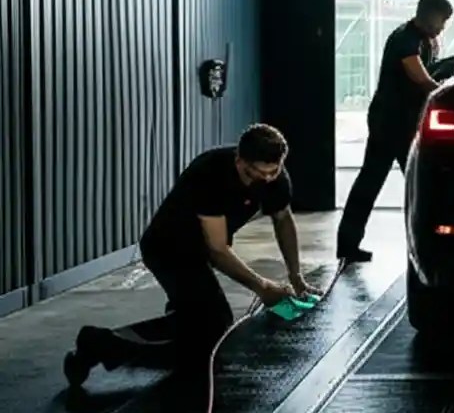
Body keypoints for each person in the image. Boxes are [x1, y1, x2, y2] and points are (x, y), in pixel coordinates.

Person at [63, 123, 319, 386]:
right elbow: (217, 250)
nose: (264, 180)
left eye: (272, 172)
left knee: (194, 321)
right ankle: (99, 344)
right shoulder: (211, 174)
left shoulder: (274, 177)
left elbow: (283, 220)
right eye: (255, 173)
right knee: (214, 327)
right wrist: (263, 287)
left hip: (198, 250)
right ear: (239, 160)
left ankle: (98, 346)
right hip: (168, 248)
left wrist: (295, 275)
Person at [336, 0, 453, 262]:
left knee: (391, 181)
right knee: (390, 182)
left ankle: (349, 244)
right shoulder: (405, 40)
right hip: (390, 124)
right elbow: (423, 80)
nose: (443, 27)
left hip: (403, 122)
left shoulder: (424, 40)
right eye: (441, 21)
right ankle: (350, 244)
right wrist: (448, 98)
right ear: (428, 15)